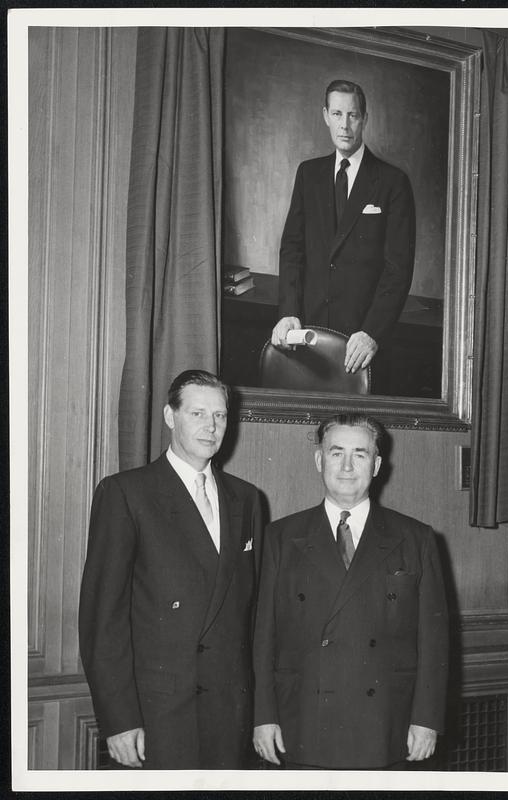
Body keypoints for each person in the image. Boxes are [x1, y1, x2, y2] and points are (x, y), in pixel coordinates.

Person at [79, 370, 263, 769]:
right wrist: (119, 719)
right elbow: (102, 620)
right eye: (197, 413)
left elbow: (253, 618)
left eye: (220, 416)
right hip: (158, 713)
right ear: (169, 416)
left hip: (230, 712)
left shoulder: (247, 500)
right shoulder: (126, 493)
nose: (211, 427)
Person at [252, 414, 448, 770]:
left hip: (388, 723)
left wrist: (427, 719)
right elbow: (263, 636)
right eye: (335, 452)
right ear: (318, 460)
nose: (346, 466)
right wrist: (263, 717)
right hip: (304, 720)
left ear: (375, 465)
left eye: (359, 454)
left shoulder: (415, 538)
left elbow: (434, 641)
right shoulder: (280, 537)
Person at [271, 79, 416, 387]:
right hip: (307, 336)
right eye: (337, 114)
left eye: (352, 115)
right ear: (325, 115)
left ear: (364, 118)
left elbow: (398, 270)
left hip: (360, 344)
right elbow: (292, 250)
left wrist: (372, 334)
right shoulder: (308, 174)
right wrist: (288, 313)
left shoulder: (393, 182)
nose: (345, 125)